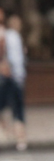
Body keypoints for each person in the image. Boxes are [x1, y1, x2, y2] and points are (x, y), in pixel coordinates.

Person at [0, 12, 28, 150]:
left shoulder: (7, 35)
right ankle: (19, 139)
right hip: (12, 77)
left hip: (7, 76)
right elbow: (17, 59)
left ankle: (9, 135)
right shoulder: (11, 36)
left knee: (13, 108)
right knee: (17, 109)